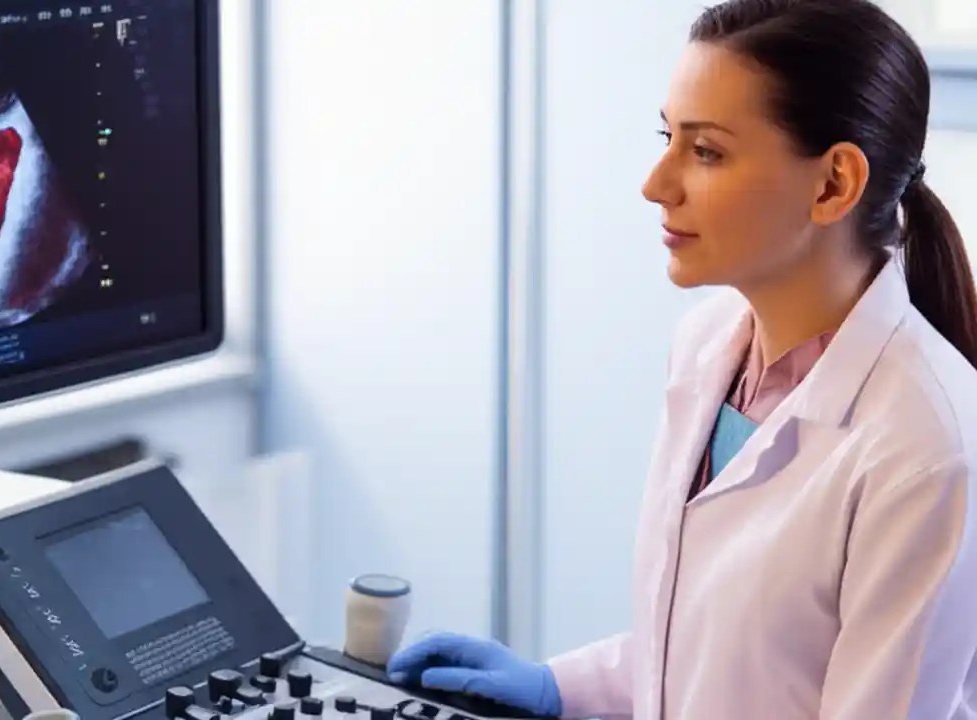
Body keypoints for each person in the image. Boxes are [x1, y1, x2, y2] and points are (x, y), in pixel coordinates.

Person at [387, 0, 977, 718]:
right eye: (669, 136)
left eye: (705, 152)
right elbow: (719, 648)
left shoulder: (928, 449)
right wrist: (560, 686)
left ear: (833, 185)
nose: (655, 183)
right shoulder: (708, 346)